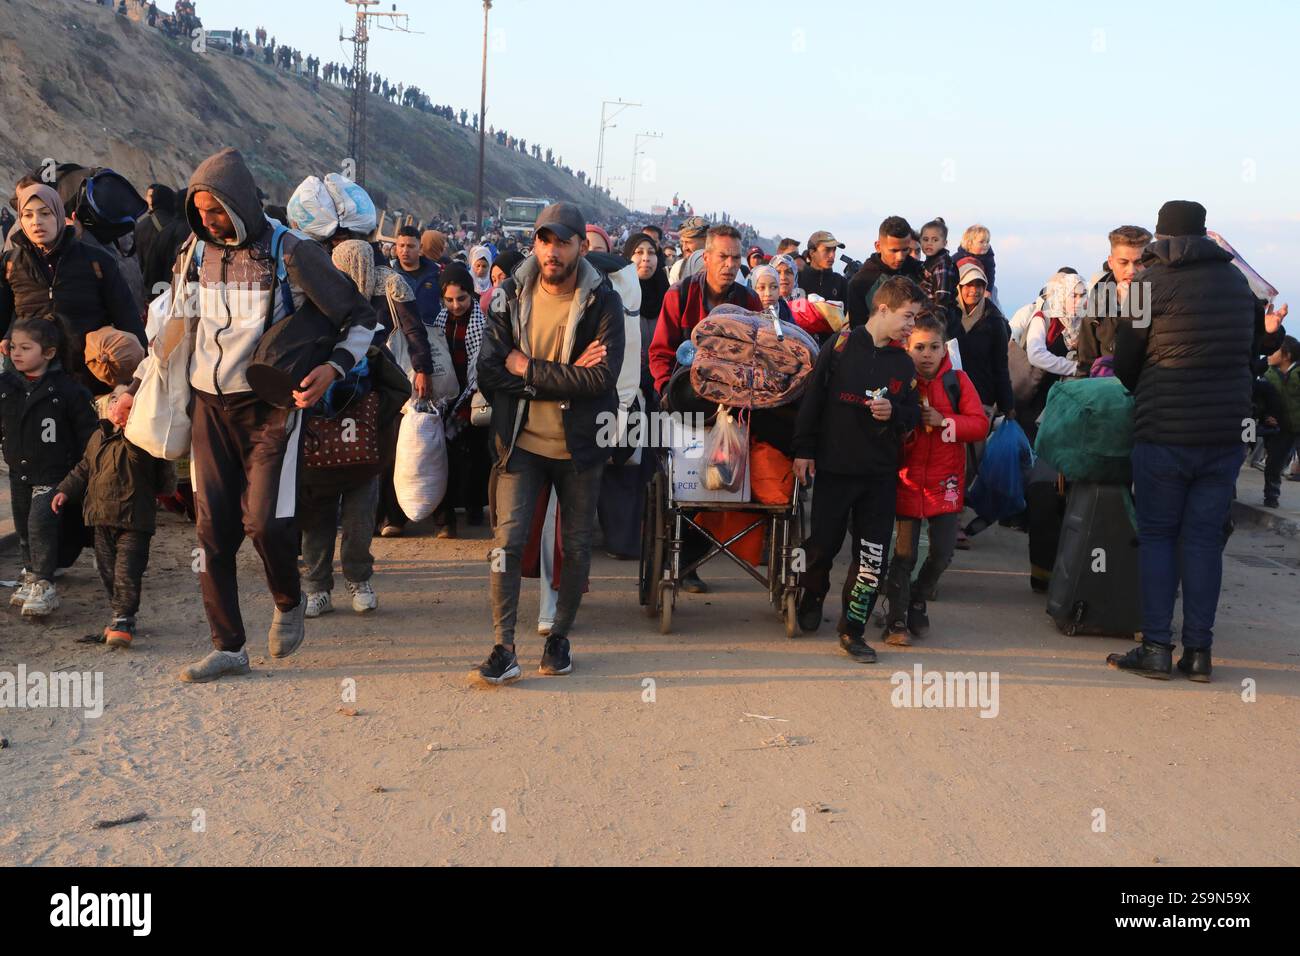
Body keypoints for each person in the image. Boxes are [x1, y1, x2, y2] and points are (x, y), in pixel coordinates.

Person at [113, 148, 379, 683]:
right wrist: (141, 382)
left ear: (242, 204)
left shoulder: (292, 252)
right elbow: (175, 324)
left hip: (271, 408)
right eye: (201, 212)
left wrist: (332, 368)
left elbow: (361, 318)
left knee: (265, 521)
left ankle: (287, 600)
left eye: (218, 212)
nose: (210, 223)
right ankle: (228, 646)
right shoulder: (193, 252)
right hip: (209, 407)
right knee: (211, 531)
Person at [473, 201, 624, 684]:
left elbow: (600, 378)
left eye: (562, 241)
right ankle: (503, 646)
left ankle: (559, 636)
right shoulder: (508, 296)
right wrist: (563, 376)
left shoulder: (604, 301)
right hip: (520, 441)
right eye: (544, 239)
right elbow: (490, 370)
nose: (551, 250)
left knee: (576, 548)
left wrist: (529, 368)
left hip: (580, 446)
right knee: (507, 543)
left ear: (582, 245)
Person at [1108, 200, 1259, 682]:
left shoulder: (1146, 284)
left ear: (1160, 235)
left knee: (1157, 536)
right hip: (1225, 433)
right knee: (1203, 541)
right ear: (1205, 231)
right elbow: (1252, 353)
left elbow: (1125, 360)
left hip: (1165, 431)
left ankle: (1155, 648)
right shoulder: (1237, 283)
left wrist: (1145, 390)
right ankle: (1199, 654)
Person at [792, 277, 923, 662]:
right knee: (822, 546)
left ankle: (853, 630)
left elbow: (912, 415)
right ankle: (812, 595)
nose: (911, 326)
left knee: (872, 556)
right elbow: (812, 401)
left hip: (880, 476)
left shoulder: (903, 362)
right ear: (883, 309)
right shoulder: (840, 346)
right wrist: (804, 450)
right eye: (907, 317)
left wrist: (894, 412)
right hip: (834, 469)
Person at [882, 311, 987, 645]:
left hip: (946, 483)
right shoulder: (899, 381)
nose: (926, 354)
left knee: (942, 553)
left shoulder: (958, 381)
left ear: (945, 349)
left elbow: (979, 424)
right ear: (907, 347)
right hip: (907, 480)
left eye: (933, 347)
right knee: (903, 555)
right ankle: (896, 621)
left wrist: (945, 421)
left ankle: (916, 599)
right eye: (919, 347)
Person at [52, 387, 174, 646]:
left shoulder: (141, 438)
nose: (119, 408)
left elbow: (146, 461)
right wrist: (64, 490)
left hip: (133, 518)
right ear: (107, 406)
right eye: (115, 401)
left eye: (128, 406)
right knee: (107, 570)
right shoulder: (98, 435)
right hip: (101, 516)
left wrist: (133, 424)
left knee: (127, 570)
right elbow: (84, 467)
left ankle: (124, 618)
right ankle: (119, 615)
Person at [1, 181, 145, 398]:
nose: (36, 222)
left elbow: (127, 318)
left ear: (59, 215)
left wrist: (137, 379)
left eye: (45, 213)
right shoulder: (10, 264)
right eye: (28, 215)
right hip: (32, 382)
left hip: (89, 379)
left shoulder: (96, 261)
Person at [1, 319, 97, 618]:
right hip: (19, 471)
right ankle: (31, 576)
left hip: (55, 473)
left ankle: (45, 582)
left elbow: (88, 434)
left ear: (49, 352)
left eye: (26, 348)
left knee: (40, 523)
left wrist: (82, 474)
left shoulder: (69, 391)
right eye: (13, 347)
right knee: (23, 526)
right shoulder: (6, 387)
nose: (16, 353)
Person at [431, 264, 489, 538]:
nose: (456, 305)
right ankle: (447, 516)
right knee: (447, 456)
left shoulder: (483, 321)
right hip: (446, 397)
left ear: (471, 296)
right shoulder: (440, 322)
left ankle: (475, 506)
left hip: (474, 397)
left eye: (462, 299)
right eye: (449, 300)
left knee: (477, 456)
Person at [1075, 225, 1153, 376]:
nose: (1131, 271)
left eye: (1139, 262)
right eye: (1123, 262)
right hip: (1107, 392)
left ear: (1149, 262)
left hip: (1149, 389)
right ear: (1110, 262)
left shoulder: (1163, 298)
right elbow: (1085, 363)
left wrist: (1129, 307)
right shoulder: (1097, 302)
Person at [846, 216, 926, 329]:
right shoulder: (861, 283)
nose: (900, 257)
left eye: (905, 249)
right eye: (894, 250)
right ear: (878, 246)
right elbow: (859, 332)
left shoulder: (920, 271)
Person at [1260, 336, 1300, 507]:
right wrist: (1265, 416)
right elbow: (1261, 401)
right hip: (1280, 428)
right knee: (1274, 463)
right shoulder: (1267, 375)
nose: (1269, 353)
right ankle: (1271, 496)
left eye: (1275, 350)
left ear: (1287, 355)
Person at [391, 225, 441, 326]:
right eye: (401, 245)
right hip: (399, 335)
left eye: (410, 246)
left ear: (420, 247)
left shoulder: (436, 274)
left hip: (431, 334)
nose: (405, 250)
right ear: (396, 247)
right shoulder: (389, 274)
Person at [918, 217, 958, 326]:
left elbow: (942, 294)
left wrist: (937, 318)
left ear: (944, 243)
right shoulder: (929, 262)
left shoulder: (942, 264)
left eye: (935, 240)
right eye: (925, 239)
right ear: (920, 241)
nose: (929, 243)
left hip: (939, 315)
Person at [798, 230, 848, 304]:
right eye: (827, 250)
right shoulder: (798, 279)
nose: (832, 255)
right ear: (812, 253)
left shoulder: (841, 282)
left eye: (834, 250)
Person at [954, 224, 997, 304]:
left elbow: (991, 274)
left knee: (993, 294)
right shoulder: (960, 255)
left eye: (987, 242)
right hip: (965, 286)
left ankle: (994, 312)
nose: (985, 245)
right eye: (981, 242)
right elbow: (950, 264)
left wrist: (988, 290)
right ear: (969, 243)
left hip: (985, 285)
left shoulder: (988, 258)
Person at [667, 216, 708, 285]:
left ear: (705, 240)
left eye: (688, 242)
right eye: (682, 242)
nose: (684, 248)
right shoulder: (678, 267)